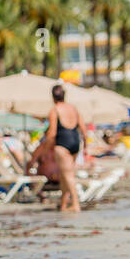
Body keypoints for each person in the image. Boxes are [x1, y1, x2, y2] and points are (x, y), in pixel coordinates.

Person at [44, 84, 83, 213]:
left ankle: (76, 204)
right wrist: (86, 146)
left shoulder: (55, 110)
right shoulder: (74, 109)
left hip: (63, 144)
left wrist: (46, 149)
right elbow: (83, 129)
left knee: (68, 175)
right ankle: (64, 204)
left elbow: (52, 133)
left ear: (52, 96)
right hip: (75, 142)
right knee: (64, 175)